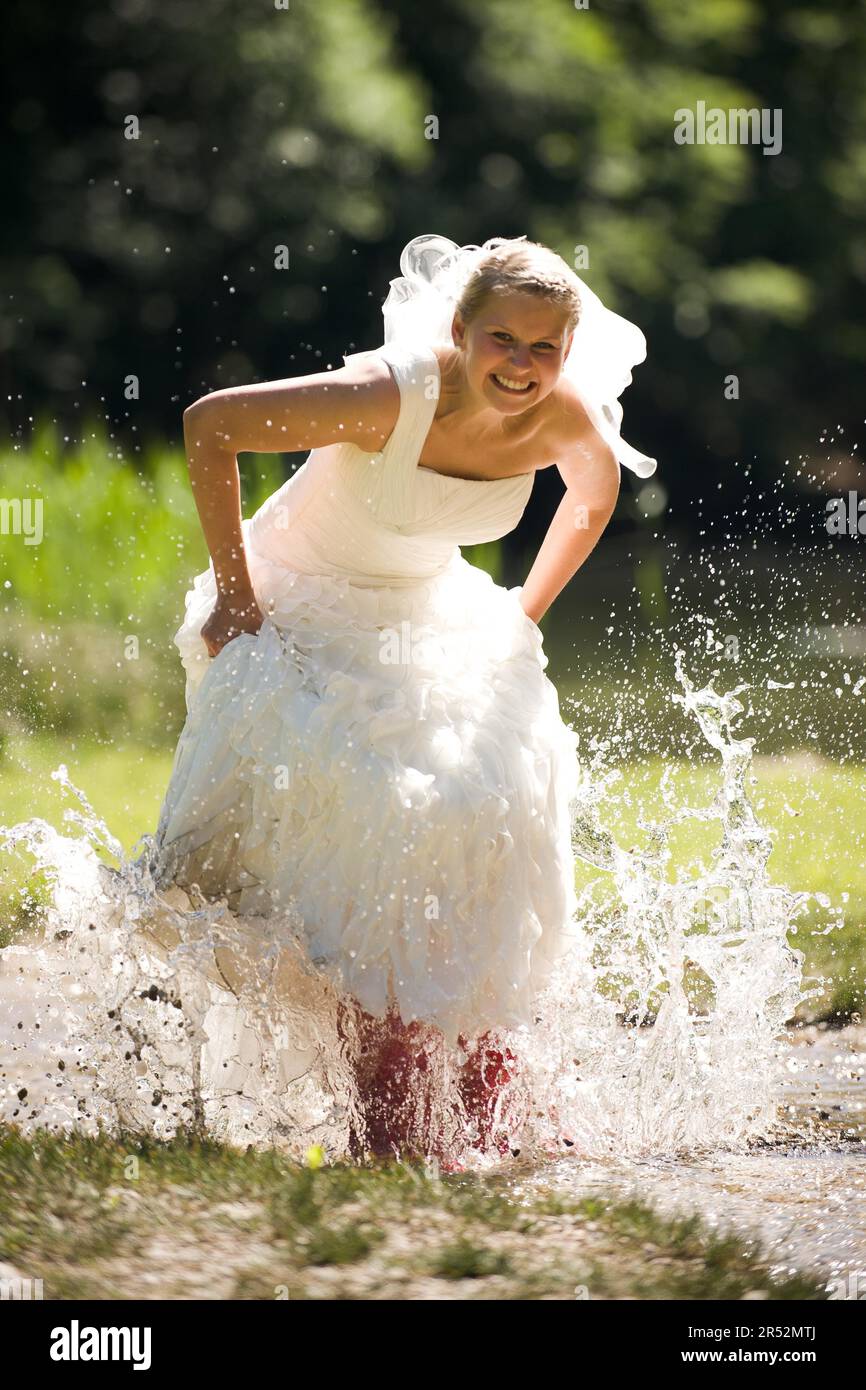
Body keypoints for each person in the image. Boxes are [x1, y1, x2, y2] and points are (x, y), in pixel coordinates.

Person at [152, 233, 656, 1163]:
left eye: (545, 348)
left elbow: (593, 496)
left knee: (497, 802)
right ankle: (386, 1093)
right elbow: (210, 423)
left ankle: (487, 1084)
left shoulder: (564, 416)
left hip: (430, 611)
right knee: (382, 816)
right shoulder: (391, 392)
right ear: (461, 330)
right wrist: (234, 598)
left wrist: (525, 613)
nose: (523, 365)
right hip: (298, 610)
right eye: (504, 339)